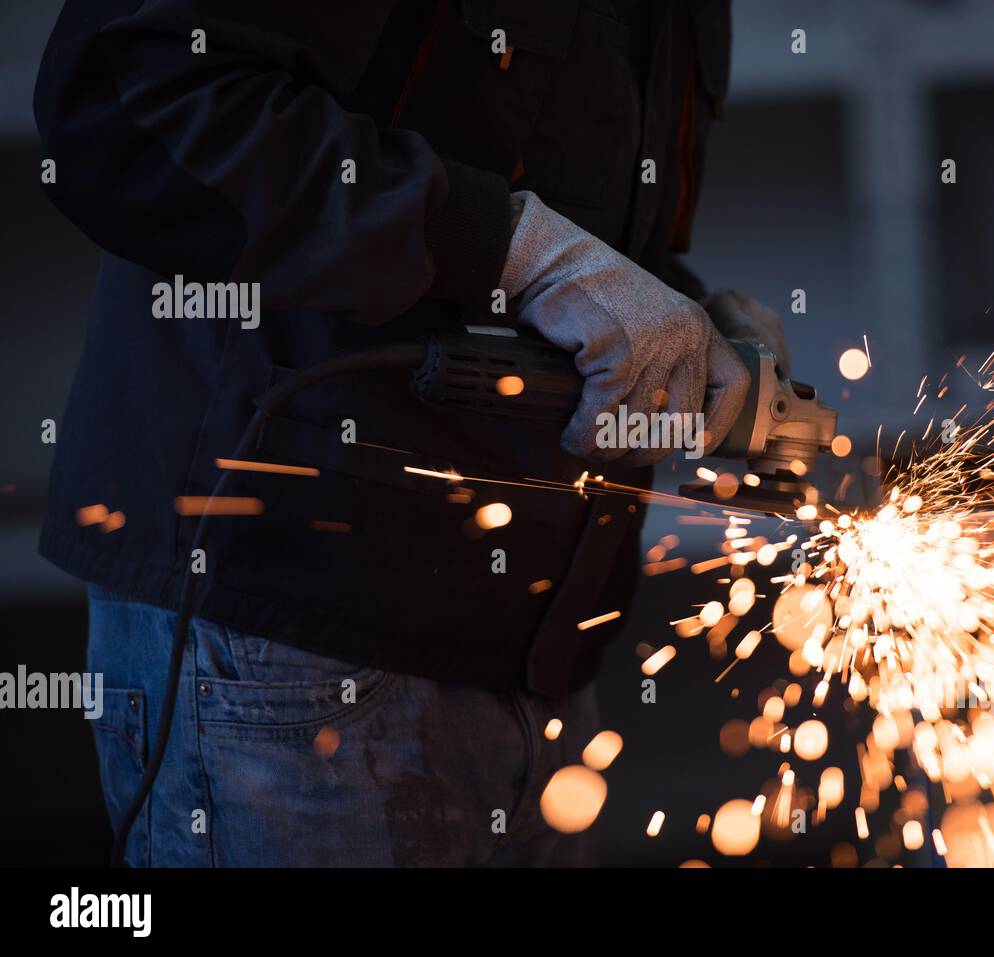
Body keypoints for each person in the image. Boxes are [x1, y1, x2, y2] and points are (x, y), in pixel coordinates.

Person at [34, 0, 788, 866]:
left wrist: (681, 319)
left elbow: (561, 194)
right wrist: (512, 251)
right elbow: (127, 103)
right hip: (294, 656)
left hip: (535, 655)